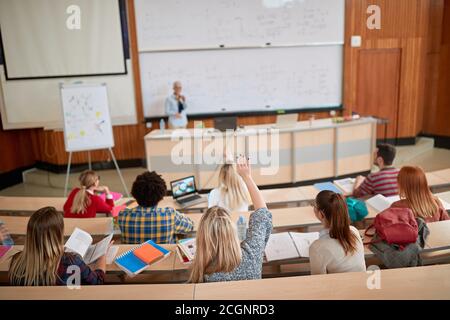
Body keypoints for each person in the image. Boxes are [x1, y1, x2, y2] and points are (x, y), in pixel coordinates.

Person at [189, 157, 273, 283]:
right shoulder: (252, 256)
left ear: (203, 238)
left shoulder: (203, 271)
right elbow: (262, 214)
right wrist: (247, 177)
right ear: (232, 231)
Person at [9, 207, 107, 286]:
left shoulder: (16, 262)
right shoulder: (72, 262)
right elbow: (98, 281)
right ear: (58, 235)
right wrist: (102, 257)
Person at [118, 171, 194, 244]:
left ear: (134, 193)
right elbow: (190, 227)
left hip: (134, 256)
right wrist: (180, 215)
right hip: (165, 256)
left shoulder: (123, 215)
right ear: (161, 195)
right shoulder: (170, 214)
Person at [309, 190, 366, 275]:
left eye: (314, 206)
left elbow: (318, 279)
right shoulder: (354, 231)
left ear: (321, 214)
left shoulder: (317, 247)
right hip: (363, 282)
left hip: (339, 286)